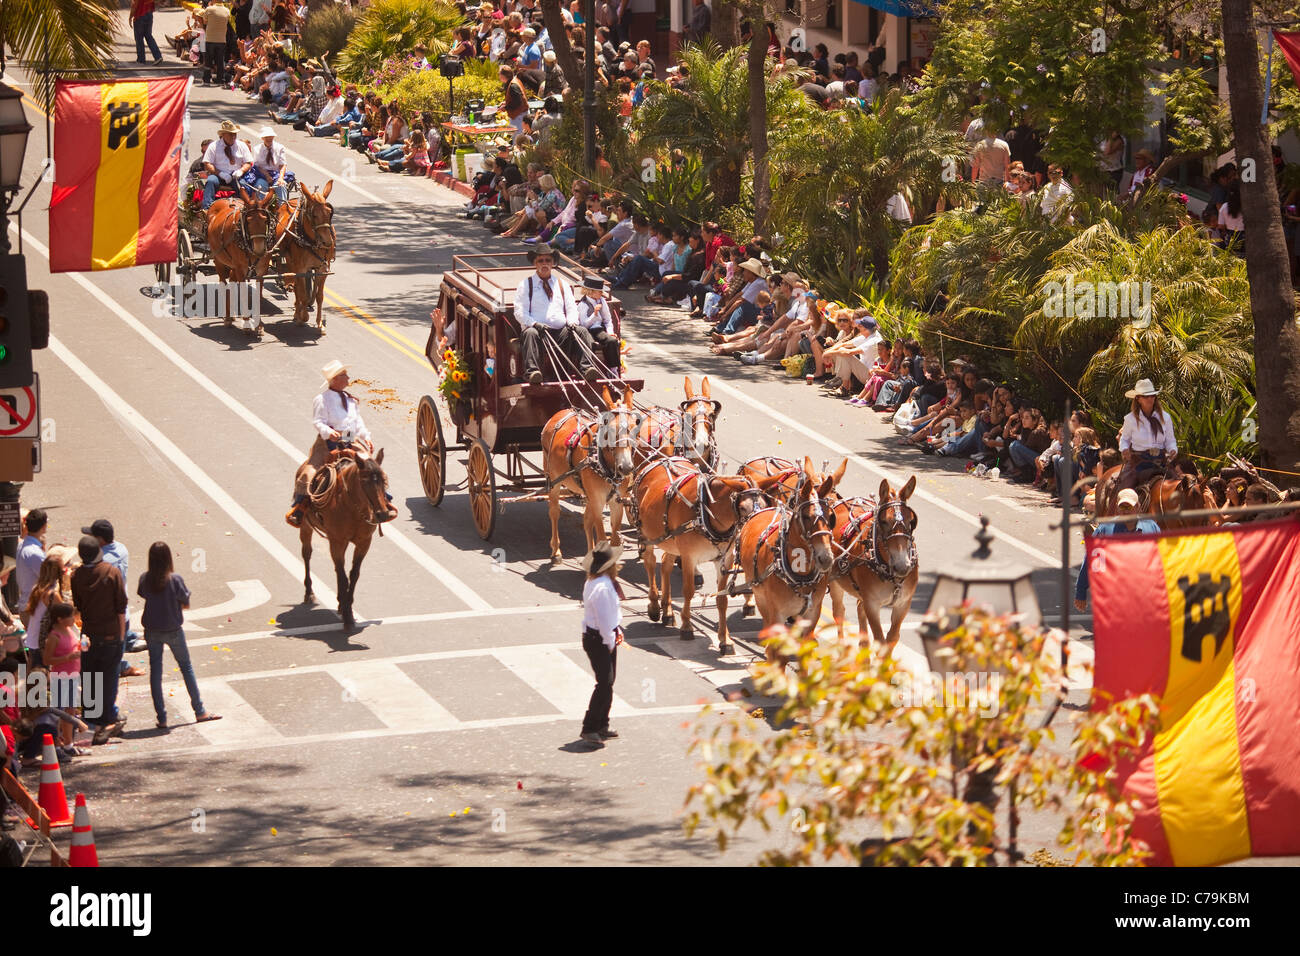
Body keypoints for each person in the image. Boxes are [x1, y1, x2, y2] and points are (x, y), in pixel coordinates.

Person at [286, 361, 398, 527]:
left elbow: (357, 421)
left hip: (349, 440)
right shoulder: (322, 399)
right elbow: (318, 421)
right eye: (344, 375)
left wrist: (365, 436)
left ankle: (384, 500)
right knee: (308, 473)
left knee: (373, 469)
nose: (348, 378)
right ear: (335, 380)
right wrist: (328, 432)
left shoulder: (350, 400)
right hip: (327, 442)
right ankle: (300, 508)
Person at [139, 542, 221, 730]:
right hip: (173, 629)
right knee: (186, 667)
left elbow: (143, 594)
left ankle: (161, 717)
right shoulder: (175, 579)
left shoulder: (145, 579)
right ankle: (200, 711)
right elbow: (185, 601)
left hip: (152, 630)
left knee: (156, 672)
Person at [70, 535, 127, 746]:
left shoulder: (76, 576)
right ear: (98, 552)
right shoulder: (112, 572)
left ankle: (92, 718)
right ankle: (106, 721)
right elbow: (121, 607)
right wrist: (121, 636)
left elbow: (79, 605)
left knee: (91, 677)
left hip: (89, 634)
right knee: (109, 678)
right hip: (111, 634)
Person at [1074, 489, 1161, 611]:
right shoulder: (1105, 530)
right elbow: (1091, 562)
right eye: (1122, 507)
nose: (1126, 512)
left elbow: (1162, 559)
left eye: (1129, 507)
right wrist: (1080, 592)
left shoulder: (1151, 527)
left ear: (1138, 507)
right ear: (1116, 508)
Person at [514, 243, 590, 384]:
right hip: (538, 334)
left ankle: (587, 369)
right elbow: (519, 312)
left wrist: (572, 322)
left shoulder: (562, 284)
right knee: (530, 333)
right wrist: (535, 324)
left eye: (548, 260)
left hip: (560, 332)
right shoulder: (525, 285)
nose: (544, 264)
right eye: (540, 261)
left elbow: (572, 307)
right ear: (535, 264)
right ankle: (533, 373)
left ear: (553, 263)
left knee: (582, 331)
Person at [579, 543, 624, 747]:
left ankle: (602, 723)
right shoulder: (604, 588)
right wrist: (610, 642)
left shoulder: (595, 582)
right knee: (605, 683)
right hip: (600, 638)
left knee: (608, 681)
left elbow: (611, 618)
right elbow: (604, 620)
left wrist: (617, 630)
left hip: (598, 635)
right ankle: (589, 727)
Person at [1116, 378, 1176, 493]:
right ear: (1138, 399)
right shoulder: (1130, 419)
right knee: (1124, 490)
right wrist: (1124, 449)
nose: (1150, 399)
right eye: (1146, 396)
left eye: (1152, 396)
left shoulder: (1166, 417)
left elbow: (1170, 440)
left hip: (1161, 461)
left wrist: (1173, 449)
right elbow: (1125, 439)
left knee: (1179, 487)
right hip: (1138, 461)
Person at [41, 603, 83, 750]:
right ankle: (56, 744)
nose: (73, 618)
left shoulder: (69, 630)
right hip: (60, 678)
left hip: (72, 675)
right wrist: (68, 658)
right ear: (60, 619)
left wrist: (83, 646)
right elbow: (47, 660)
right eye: (70, 616)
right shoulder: (54, 636)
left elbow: (73, 648)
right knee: (58, 712)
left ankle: (68, 743)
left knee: (70, 710)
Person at [201, 120, 254, 209]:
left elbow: (248, 163)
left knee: (244, 186)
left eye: (235, 134)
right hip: (218, 176)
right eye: (230, 134)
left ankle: (245, 208)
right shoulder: (214, 146)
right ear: (223, 134)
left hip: (236, 176)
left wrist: (241, 171)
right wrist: (220, 173)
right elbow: (207, 163)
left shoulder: (242, 145)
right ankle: (207, 209)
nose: (233, 136)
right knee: (211, 181)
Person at [575, 275, 620, 371]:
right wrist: (594, 314)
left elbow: (607, 320)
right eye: (599, 291)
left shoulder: (602, 301)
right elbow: (583, 325)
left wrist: (610, 332)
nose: (602, 293)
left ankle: (613, 369)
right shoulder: (583, 305)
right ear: (590, 291)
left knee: (611, 341)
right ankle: (588, 369)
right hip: (586, 331)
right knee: (589, 344)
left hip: (598, 330)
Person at [16, 508, 47, 626]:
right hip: (34, 608)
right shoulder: (34, 552)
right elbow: (48, 578)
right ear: (44, 527)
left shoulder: (21, 546)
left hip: (27, 605)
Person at [248, 126, 289, 201]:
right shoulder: (257, 149)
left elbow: (283, 165)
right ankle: (260, 207)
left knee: (281, 186)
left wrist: (281, 178)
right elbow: (257, 166)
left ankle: (283, 207)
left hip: (276, 174)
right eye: (266, 137)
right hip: (262, 174)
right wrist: (267, 175)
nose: (269, 139)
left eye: (271, 137)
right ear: (262, 138)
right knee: (260, 186)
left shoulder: (280, 147)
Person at [201, 1, 232, 87]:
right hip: (221, 39)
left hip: (210, 38)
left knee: (208, 60)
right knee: (220, 61)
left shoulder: (209, 9)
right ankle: (220, 79)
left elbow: (204, 21)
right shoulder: (227, 10)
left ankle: (207, 79)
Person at [130, 0, 164, 65]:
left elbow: (134, 5)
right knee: (148, 36)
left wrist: (130, 17)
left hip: (140, 15)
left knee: (139, 38)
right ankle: (158, 56)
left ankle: (141, 59)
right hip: (149, 14)